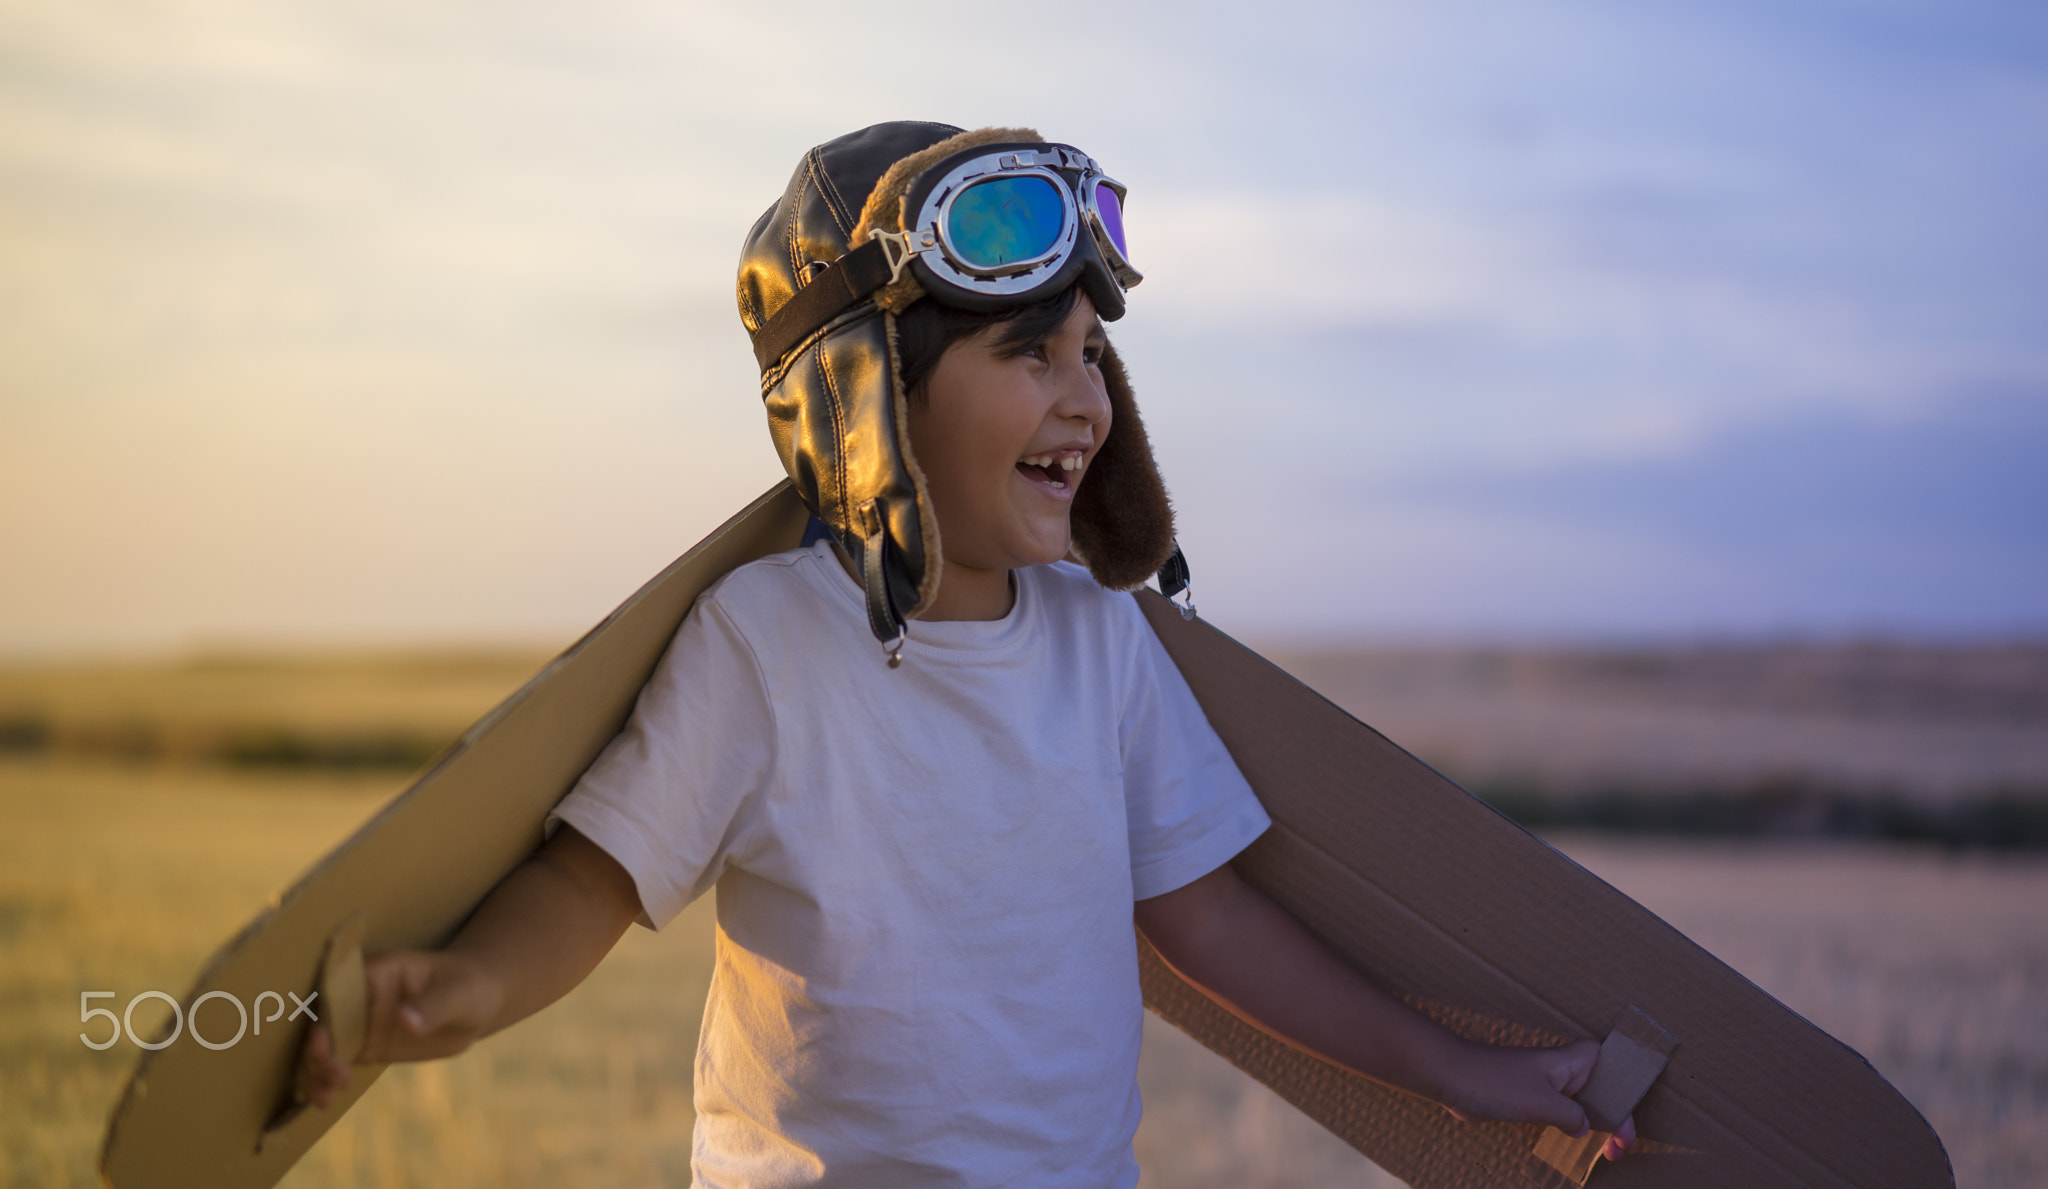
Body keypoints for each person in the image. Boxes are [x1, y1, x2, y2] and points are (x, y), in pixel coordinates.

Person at [297, 122, 1634, 1187]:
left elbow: (1208, 916)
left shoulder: (1100, 643)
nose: (1086, 401)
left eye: (1094, 354)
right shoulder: (761, 643)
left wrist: (1456, 1068)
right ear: (867, 400)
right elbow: (595, 882)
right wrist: (468, 986)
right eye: (1030, 353)